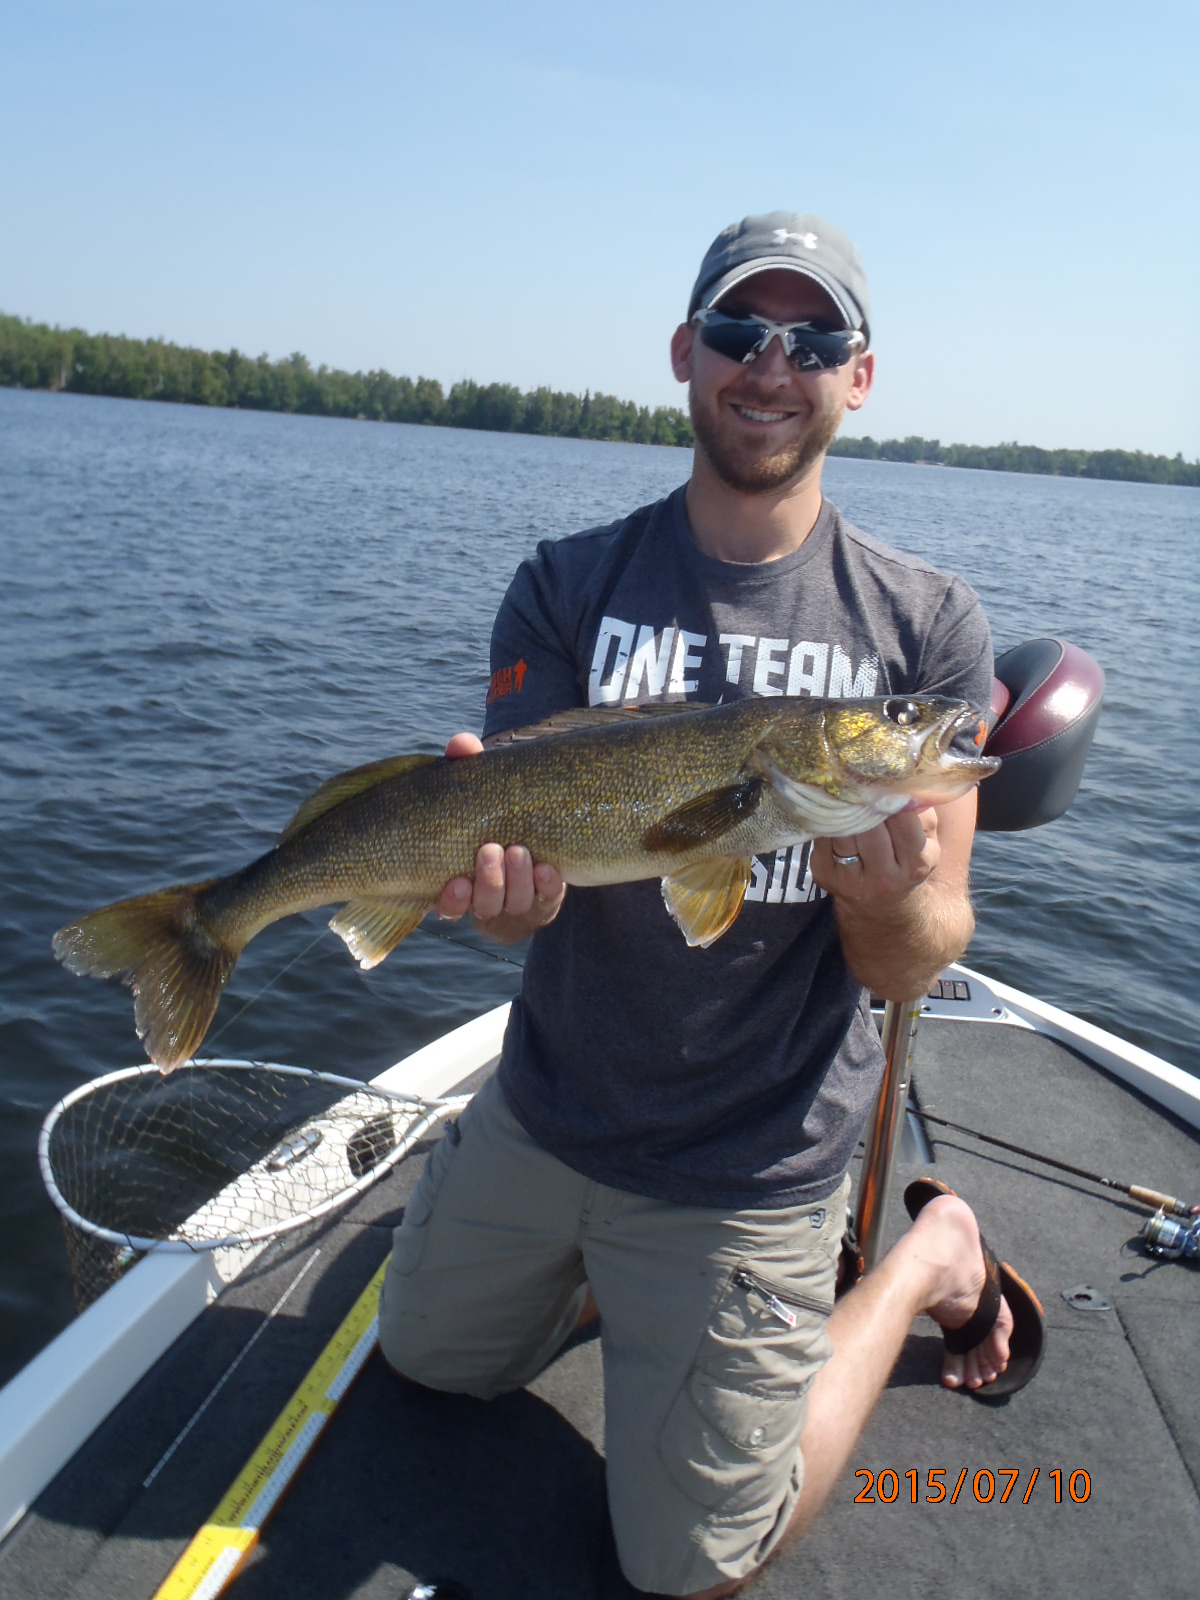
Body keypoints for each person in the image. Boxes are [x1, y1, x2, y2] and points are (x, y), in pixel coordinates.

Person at [378, 212, 1021, 1599]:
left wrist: (884, 905)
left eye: (814, 340)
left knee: (688, 1568)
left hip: (751, 1158)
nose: (771, 366)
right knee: (424, 1360)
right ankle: (615, 1275)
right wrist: (501, 906)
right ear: (686, 354)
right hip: (554, 1103)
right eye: (740, 331)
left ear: (859, 377)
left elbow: (922, 954)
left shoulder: (928, 627)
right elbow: (522, 878)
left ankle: (927, 1254)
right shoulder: (565, 584)